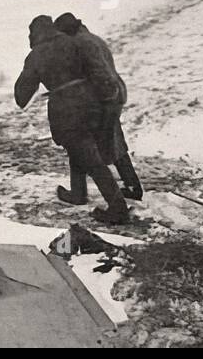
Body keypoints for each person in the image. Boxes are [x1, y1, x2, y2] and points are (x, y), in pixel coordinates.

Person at [14, 16, 130, 224]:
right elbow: (98, 70)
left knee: (90, 159)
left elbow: (22, 95)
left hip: (66, 111)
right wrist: (105, 99)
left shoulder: (36, 55)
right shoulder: (76, 43)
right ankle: (78, 193)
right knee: (79, 150)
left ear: (35, 34)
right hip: (92, 104)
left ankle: (118, 209)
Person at [54, 13, 142, 201]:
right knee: (114, 143)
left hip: (105, 99)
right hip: (113, 95)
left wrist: (101, 102)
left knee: (79, 144)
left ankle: (78, 193)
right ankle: (133, 186)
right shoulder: (93, 39)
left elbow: (100, 75)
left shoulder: (82, 44)